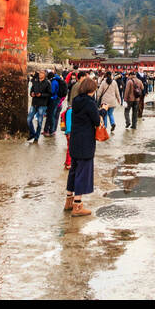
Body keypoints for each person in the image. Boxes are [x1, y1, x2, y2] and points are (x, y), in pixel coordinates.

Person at [64, 77, 102, 218]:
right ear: (91, 89)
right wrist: (102, 110)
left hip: (75, 139)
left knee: (73, 170)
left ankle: (68, 201)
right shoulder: (89, 103)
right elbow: (96, 120)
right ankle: (77, 205)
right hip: (85, 141)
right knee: (82, 172)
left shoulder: (76, 101)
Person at [28, 71, 50, 143]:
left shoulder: (47, 83)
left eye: (42, 73)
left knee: (39, 122)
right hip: (34, 103)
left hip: (42, 104)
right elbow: (31, 90)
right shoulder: (35, 81)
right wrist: (32, 94)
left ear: (45, 75)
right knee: (28, 120)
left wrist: (41, 95)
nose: (40, 74)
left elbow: (49, 94)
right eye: (40, 73)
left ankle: (36, 137)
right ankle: (33, 133)